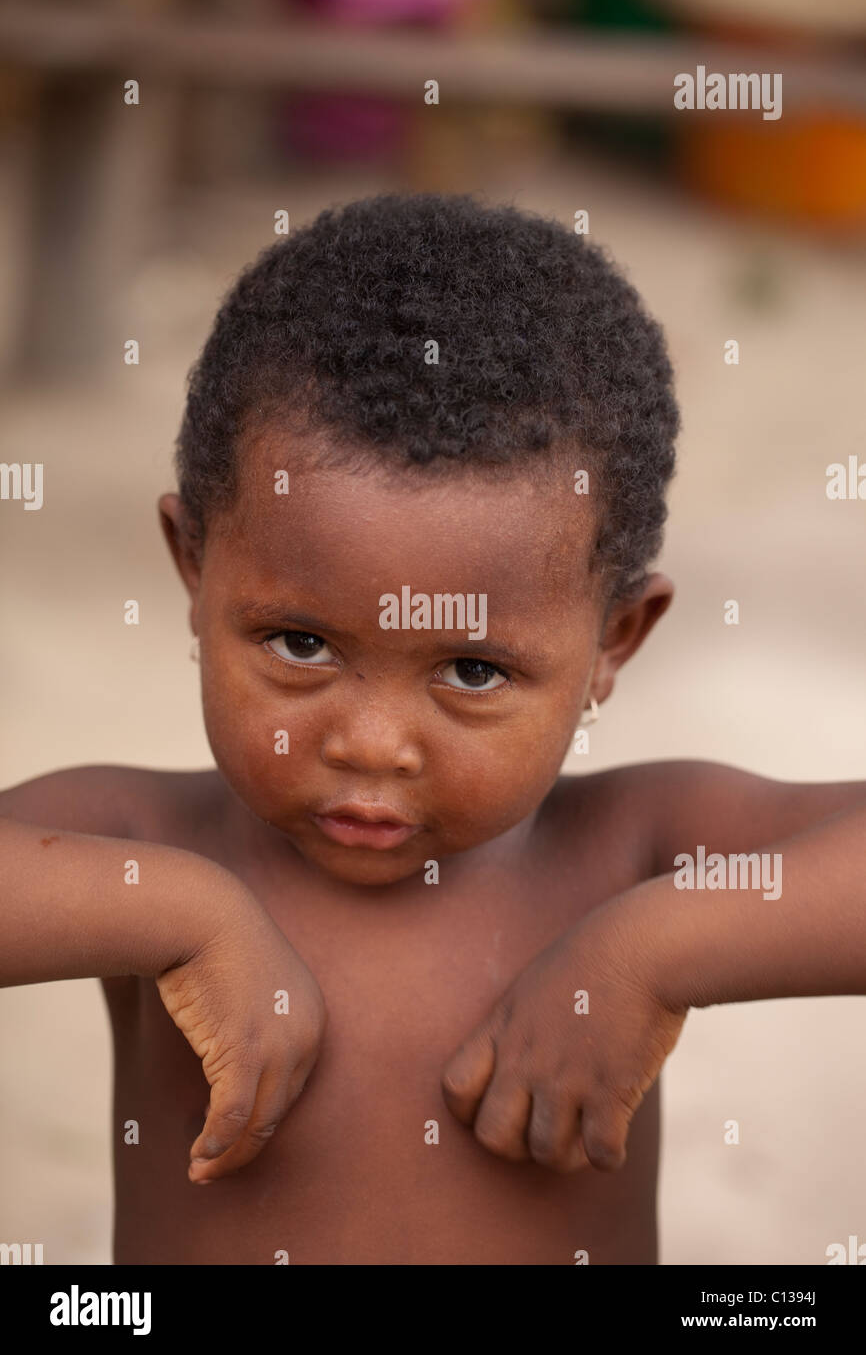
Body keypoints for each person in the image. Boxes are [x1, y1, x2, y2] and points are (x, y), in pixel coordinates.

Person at [2, 193, 863, 1265]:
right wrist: (185, 917)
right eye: (299, 644)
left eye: (470, 669)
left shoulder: (627, 848)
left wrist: (652, 951)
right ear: (192, 566)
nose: (369, 742)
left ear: (614, 640)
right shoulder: (140, 842)